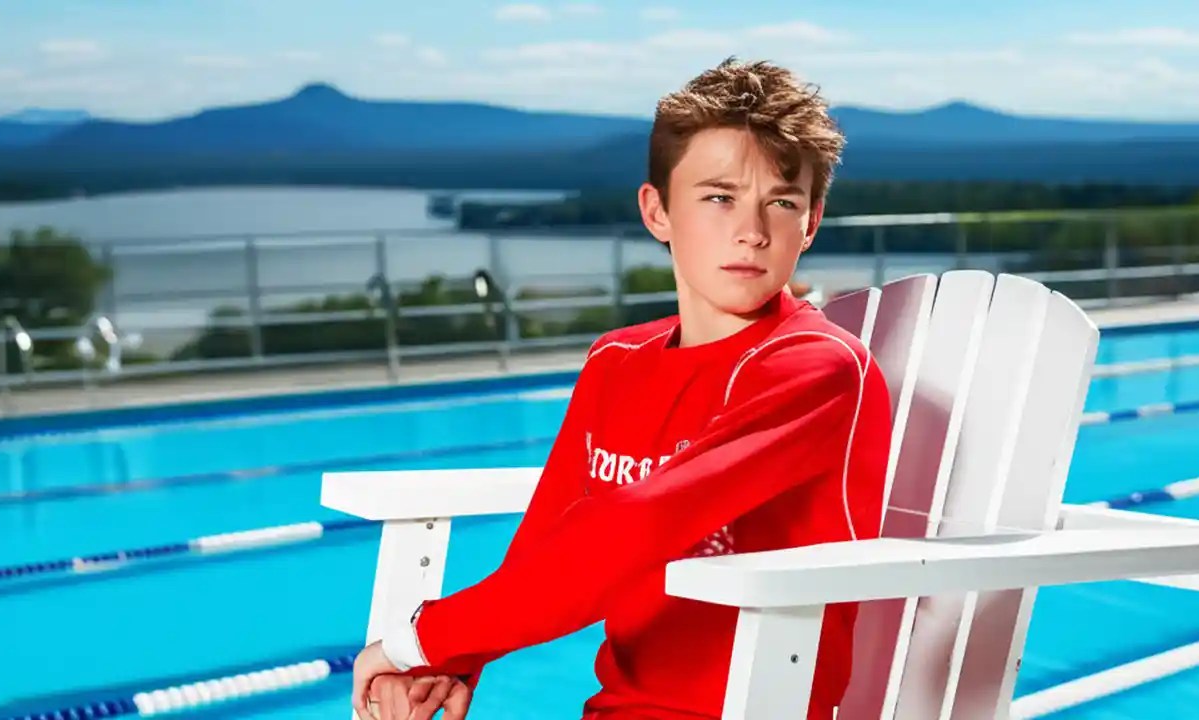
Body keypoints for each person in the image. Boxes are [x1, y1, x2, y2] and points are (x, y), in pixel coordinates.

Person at [353, 57, 893, 720]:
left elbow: (635, 527)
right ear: (657, 210)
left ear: (810, 222)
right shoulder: (618, 361)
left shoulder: (815, 369)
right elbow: (550, 539)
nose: (751, 230)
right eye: (719, 197)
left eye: (781, 202)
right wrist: (455, 659)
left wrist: (424, 637)